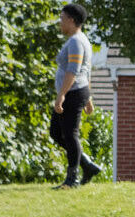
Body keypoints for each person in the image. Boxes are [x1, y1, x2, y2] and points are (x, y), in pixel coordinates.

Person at [49, 4, 102, 189]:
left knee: (70, 135)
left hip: (72, 93)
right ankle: (87, 165)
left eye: (62, 19)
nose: (60, 22)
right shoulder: (79, 40)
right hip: (76, 92)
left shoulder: (76, 42)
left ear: (71, 20)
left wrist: (61, 95)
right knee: (56, 132)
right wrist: (89, 99)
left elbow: (74, 70)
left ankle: (72, 179)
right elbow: (86, 72)